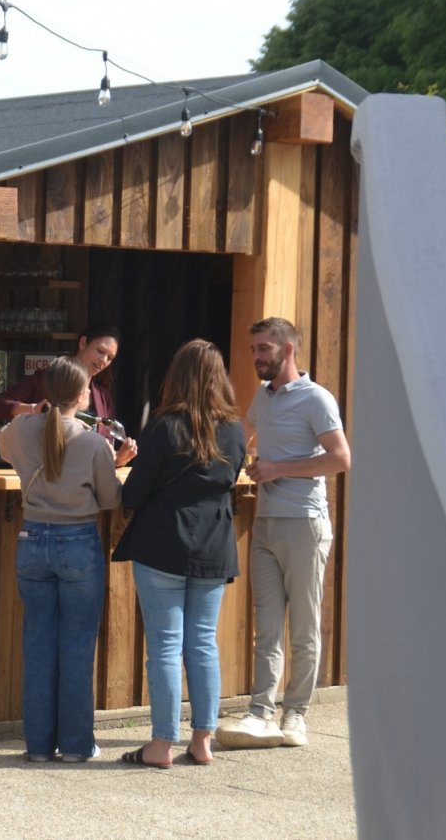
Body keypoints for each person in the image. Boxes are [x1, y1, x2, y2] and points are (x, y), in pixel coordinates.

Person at [215, 317, 351, 750]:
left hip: (305, 524)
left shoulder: (317, 399)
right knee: (267, 625)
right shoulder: (263, 397)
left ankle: (296, 715)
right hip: (267, 522)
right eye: (254, 349)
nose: (255, 357)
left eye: (262, 350)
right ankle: (261, 713)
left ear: (287, 349)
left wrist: (278, 468)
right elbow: (242, 437)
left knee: (304, 625)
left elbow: (340, 459)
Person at [112, 339, 246, 767]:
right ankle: (202, 740)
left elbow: (134, 493)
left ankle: (161, 745)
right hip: (214, 546)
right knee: (203, 643)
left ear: (177, 375)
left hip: (162, 545)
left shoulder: (164, 426)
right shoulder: (235, 429)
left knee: (166, 647)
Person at [0, 355, 131, 762]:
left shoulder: (21, 430)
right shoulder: (92, 441)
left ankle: (37, 745)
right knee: (76, 648)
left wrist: (32, 413)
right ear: (81, 395)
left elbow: (3, 442)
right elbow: (109, 499)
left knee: (38, 645)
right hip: (78, 543)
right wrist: (115, 461)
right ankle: (74, 745)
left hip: (32, 538)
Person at [0, 322, 122, 426]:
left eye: (110, 358)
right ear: (83, 343)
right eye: (100, 351)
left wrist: (118, 458)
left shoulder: (104, 396)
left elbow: (106, 443)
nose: (104, 360)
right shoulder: (44, 379)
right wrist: (35, 409)